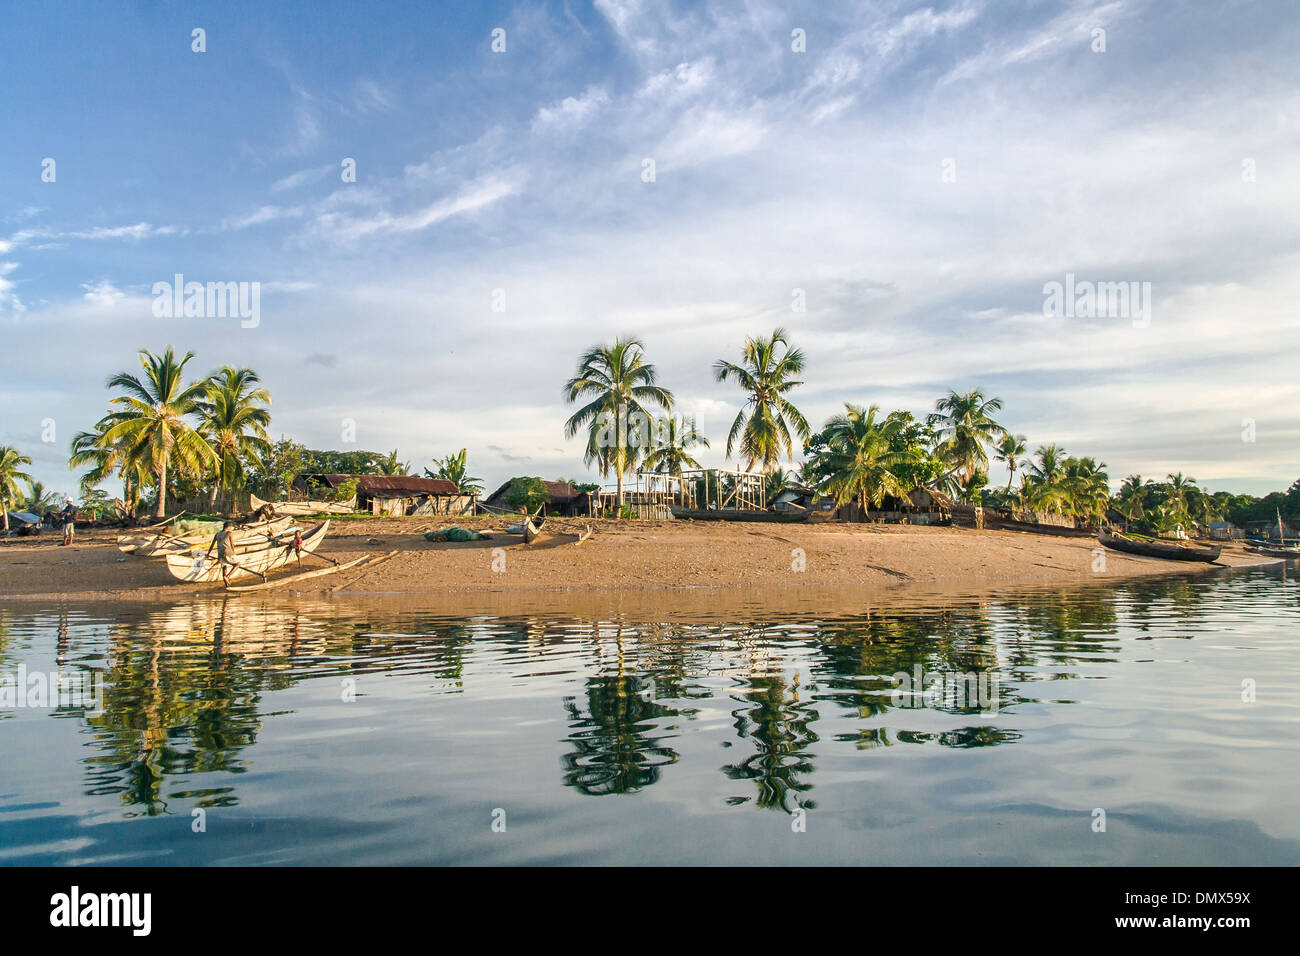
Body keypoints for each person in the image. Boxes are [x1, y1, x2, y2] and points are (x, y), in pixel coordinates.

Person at [206, 521, 266, 588]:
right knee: (237, 564)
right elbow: (232, 544)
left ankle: (227, 585)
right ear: (229, 527)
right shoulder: (229, 533)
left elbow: (212, 545)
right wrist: (233, 553)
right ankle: (228, 576)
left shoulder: (217, 534)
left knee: (224, 568)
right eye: (231, 527)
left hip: (220, 554)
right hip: (228, 552)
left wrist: (208, 554)